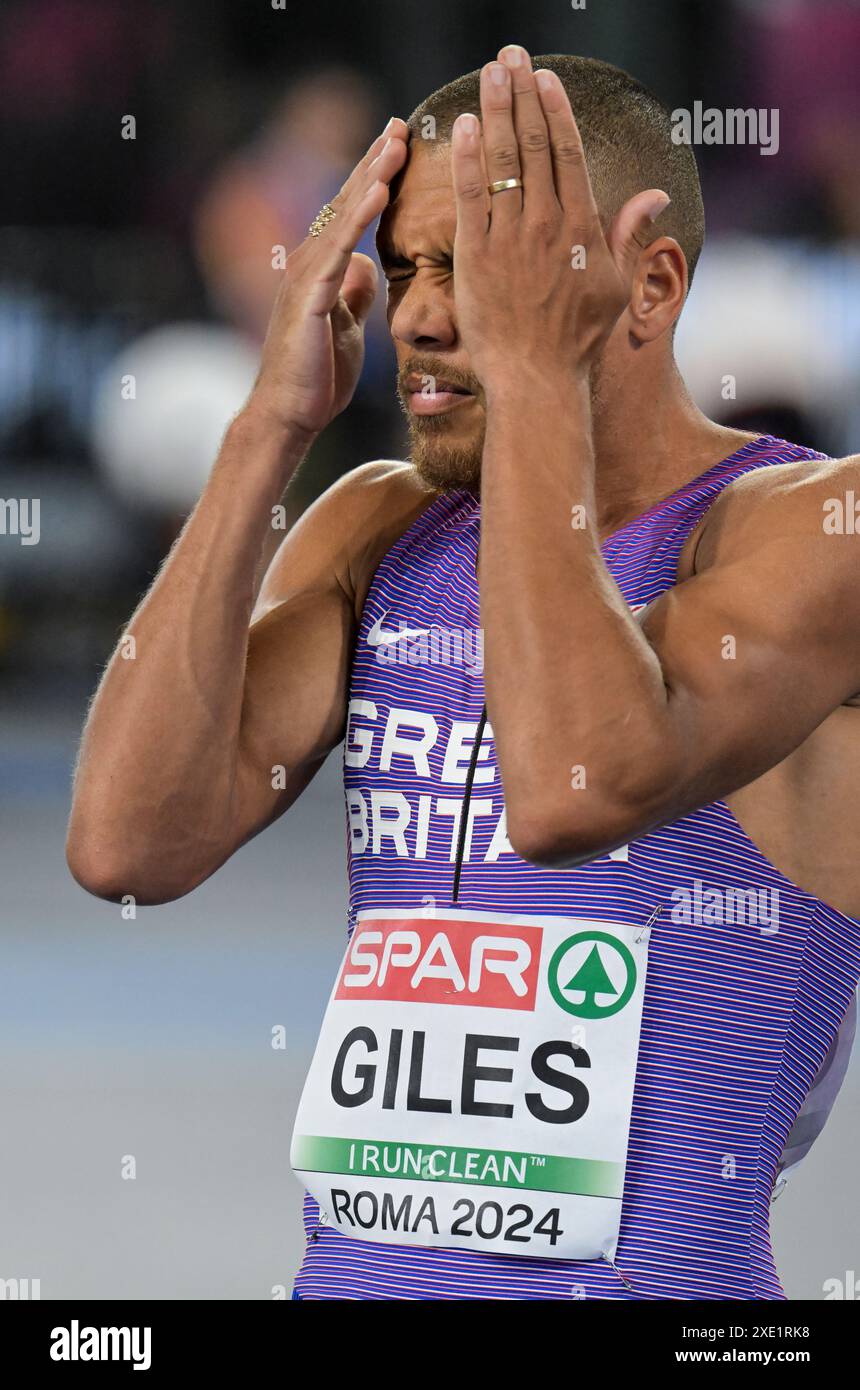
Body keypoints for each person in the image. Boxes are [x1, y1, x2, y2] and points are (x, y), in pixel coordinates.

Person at [67, 46, 860, 1301]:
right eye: (406, 270)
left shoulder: (806, 532)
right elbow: (128, 844)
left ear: (646, 285)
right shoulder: (382, 526)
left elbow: (572, 788)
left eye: (482, 270)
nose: (422, 319)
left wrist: (535, 371)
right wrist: (265, 430)